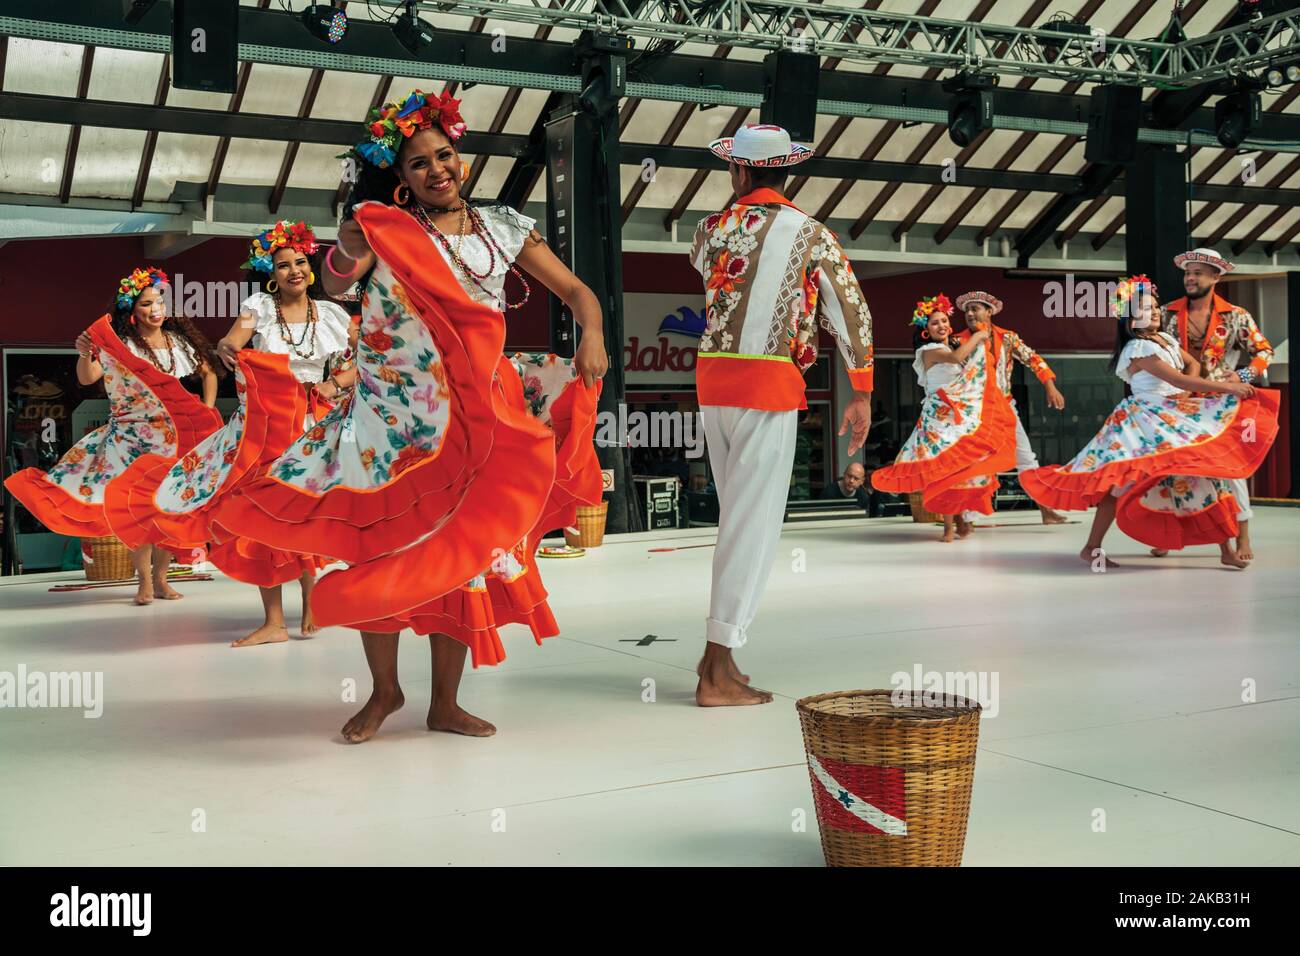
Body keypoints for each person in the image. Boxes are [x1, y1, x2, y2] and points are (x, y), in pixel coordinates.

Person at [216, 89, 607, 743]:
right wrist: (344, 242)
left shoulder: (504, 227)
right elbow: (338, 282)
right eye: (418, 163)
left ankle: (443, 704)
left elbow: (576, 291)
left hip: (480, 411)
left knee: (464, 552)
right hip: (397, 418)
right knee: (383, 546)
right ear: (401, 181)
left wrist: (590, 332)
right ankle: (385, 692)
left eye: (443, 155)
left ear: (462, 160)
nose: (436, 169)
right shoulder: (391, 233)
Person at [689, 123, 874, 707]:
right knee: (753, 525)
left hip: (713, 384)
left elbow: (704, 267)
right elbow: (850, 308)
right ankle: (715, 668)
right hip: (767, 385)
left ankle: (724, 656)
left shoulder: (711, 229)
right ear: (787, 173)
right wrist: (862, 388)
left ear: (738, 172)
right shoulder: (811, 234)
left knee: (734, 517)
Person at [105, 222, 358, 646]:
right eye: (282, 265)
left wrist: (332, 385)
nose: (293, 271)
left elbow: (360, 364)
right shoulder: (257, 307)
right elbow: (230, 343)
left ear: (311, 268)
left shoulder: (333, 314)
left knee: (306, 514)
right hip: (268, 424)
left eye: (299, 263)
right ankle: (274, 621)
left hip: (314, 425)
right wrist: (228, 351)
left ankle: (312, 605)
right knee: (265, 517)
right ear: (270, 273)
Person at [1020, 275, 1277, 569]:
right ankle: (1092, 546)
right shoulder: (1136, 348)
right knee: (1118, 485)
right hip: (1143, 421)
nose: (1154, 311)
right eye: (1145, 308)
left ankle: (1226, 549)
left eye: (1155, 306)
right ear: (1130, 317)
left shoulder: (1164, 339)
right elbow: (1176, 376)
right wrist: (1226, 387)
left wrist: (1185, 391)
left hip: (1171, 413)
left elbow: (1190, 366)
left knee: (1205, 472)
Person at [4, 268, 222, 603]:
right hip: (132, 441)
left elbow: (208, 372)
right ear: (132, 311)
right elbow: (88, 376)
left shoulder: (178, 341)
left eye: (160, 300)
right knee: (139, 511)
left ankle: (161, 579)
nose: (156, 308)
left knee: (168, 510)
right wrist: (84, 353)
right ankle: (144, 583)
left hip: (174, 441)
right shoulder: (122, 346)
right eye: (147, 303)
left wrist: (205, 411)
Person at [1153, 248, 1274, 561]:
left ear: (1216, 277)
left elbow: (1264, 351)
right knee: (1171, 468)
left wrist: (1243, 374)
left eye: (1197, 273)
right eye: (1187, 273)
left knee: (1231, 471)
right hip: (1178, 402)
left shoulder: (1236, 315)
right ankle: (1168, 534)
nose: (1190, 278)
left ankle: (1242, 538)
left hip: (1221, 404)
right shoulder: (1166, 312)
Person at [871, 295, 1017, 542]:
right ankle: (950, 526)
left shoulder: (947, 346)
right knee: (944, 469)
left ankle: (959, 521)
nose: (942, 326)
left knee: (959, 466)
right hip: (938, 419)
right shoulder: (928, 351)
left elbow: (964, 366)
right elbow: (957, 359)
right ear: (925, 331)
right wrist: (979, 337)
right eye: (935, 323)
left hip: (953, 414)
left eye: (944, 321)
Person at [953, 290, 1067, 527]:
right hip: (975, 413)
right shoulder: (958, 340)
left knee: (1026, 459)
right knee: (977, 462)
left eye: (976, 308)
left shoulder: (1008, 338)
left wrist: (1050, 385)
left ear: (989, 311)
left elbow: (1033, 359)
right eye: (968, 310)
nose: (971, 314)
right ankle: (970, 517)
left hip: (1005, 407)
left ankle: (1046, 509)